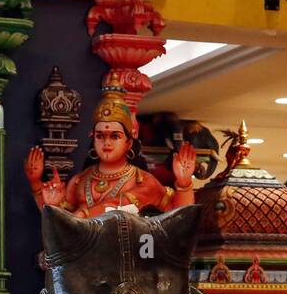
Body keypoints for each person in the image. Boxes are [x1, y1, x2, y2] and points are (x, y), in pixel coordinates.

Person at [24, 88, 197, 218]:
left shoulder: (143, 181)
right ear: (93, 138)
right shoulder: (79, 181)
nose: (106, 142)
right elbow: (62, 230)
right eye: (100, 136)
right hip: (84, 262)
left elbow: (179, 218)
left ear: (128, 142)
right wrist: (41, 191)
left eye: (115, 136)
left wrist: (184, 183)